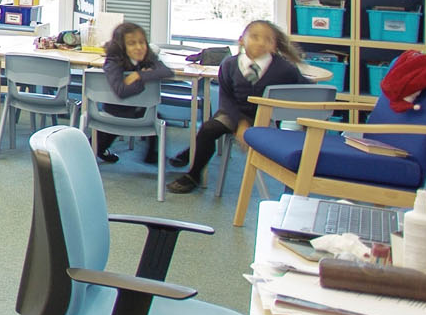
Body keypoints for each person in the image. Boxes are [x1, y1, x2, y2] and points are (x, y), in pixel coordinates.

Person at [169, 19, 309, 194]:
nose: (260, 42)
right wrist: (240, 124)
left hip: (266, 117)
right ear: (242, 40)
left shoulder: (284, 69)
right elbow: (226, 100)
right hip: (234, 112)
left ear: (274, 46)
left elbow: (305, 88)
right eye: (255, 37)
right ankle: (193, 175)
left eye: (267, 39)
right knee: (208, 129)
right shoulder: (229, 64)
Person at [94, 22, 174, 164]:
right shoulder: (113, 61)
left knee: (157, 117)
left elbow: (167, 71)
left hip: (139, 112)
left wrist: (139, 76)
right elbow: (121, 91)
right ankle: (95, 151)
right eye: (131, 43)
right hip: (115, 112)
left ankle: (151, 155)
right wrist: (142, 81)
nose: (138, 47)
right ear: (121, 46)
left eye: (142, 42)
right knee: (97, 144)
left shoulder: (147, 56)